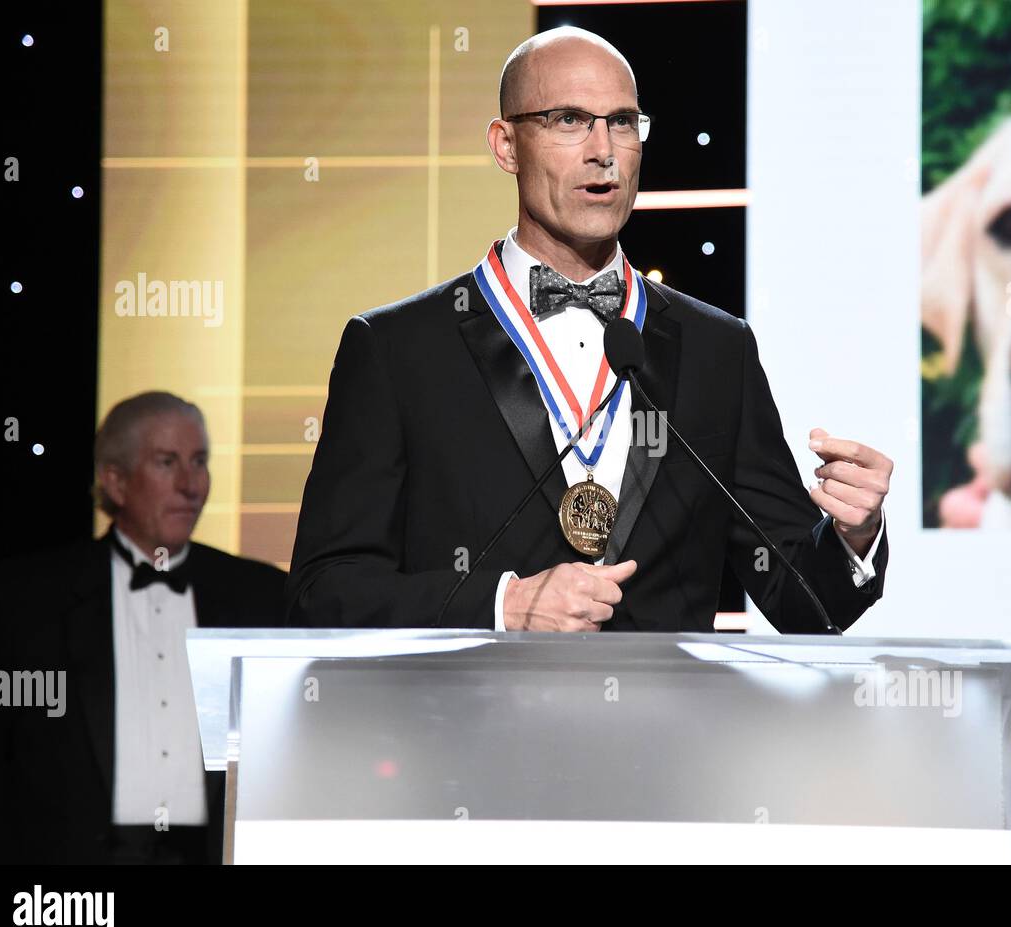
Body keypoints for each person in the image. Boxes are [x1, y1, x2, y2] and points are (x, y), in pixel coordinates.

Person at [286, 27, 892, 634]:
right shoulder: (398, 350)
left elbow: (803, 603)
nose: (603, 149)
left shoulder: (718, 349)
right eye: (569, 120)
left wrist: (852, 537)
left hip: (662, 726)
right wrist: (502, 607)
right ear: (506, 146)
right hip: (472, 723)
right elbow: (325, 592)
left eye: (623, 122)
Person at [0, 391, 286, 863]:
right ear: (114, 481)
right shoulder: (28, 597)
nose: (190, 484)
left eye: (198, 462)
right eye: (166, 462)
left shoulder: (260, 595)